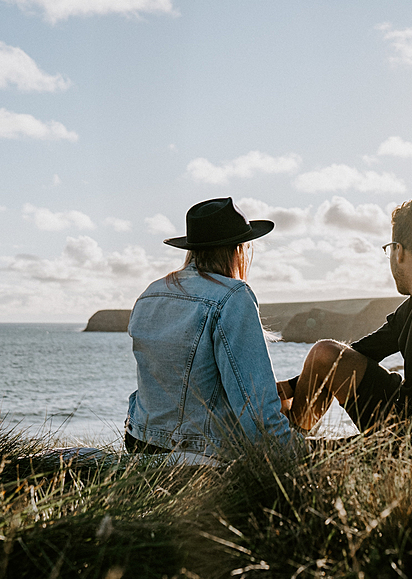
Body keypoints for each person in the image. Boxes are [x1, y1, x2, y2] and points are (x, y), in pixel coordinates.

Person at [278, 197, 412, 437]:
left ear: (399, 251)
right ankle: (292, 436)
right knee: (325, 353)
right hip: (408, 410)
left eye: (389, 249)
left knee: (319, 453)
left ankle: (291, 443)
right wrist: (293, 385)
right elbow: (366, 350)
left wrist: (357, 446)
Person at [125, 197, 297, 465]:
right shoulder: (233, 296)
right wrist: (299, 459)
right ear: (239, 250)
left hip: (140, 442)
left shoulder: (150, 293)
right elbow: (256, 410)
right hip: (201, 453)